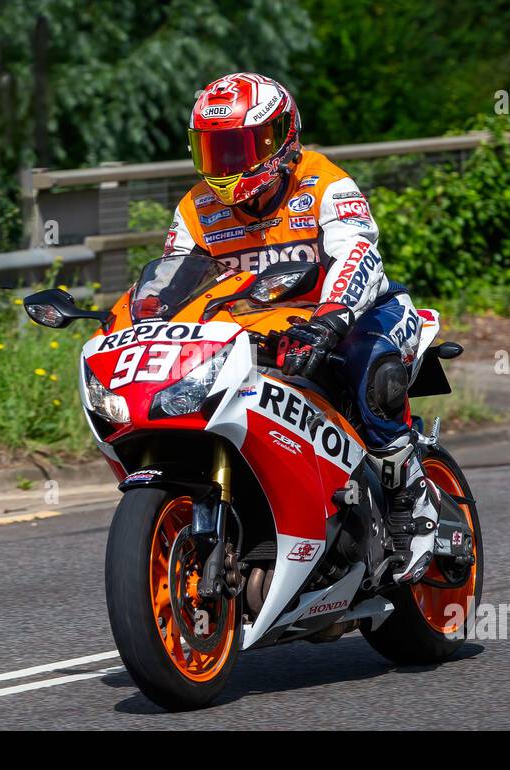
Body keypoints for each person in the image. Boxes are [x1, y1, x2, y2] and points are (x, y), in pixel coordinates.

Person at [166, 72, 438, 577]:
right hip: (259, 332)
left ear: (280, 137)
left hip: (353, 314)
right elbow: (174, 284)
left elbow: (358, 255)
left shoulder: (324, 181)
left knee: (366, 361)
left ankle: (411, 499)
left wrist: (331, 320)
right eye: (215, 150)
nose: (228, 165)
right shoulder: (195, 209)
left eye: (241, 147)